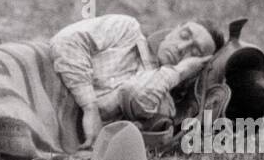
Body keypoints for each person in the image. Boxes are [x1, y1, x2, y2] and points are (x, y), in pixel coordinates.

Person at [49, 14, 224, 145]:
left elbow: (135, 94)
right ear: (174, 30)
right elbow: (66, 41)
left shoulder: (161, 99)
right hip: (41, 71)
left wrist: (177, 71)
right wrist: (90, 107)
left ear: (195, 67)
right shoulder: (127, 29)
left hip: (54, 120)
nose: (180, 47)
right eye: (184, 35)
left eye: (194, 52)